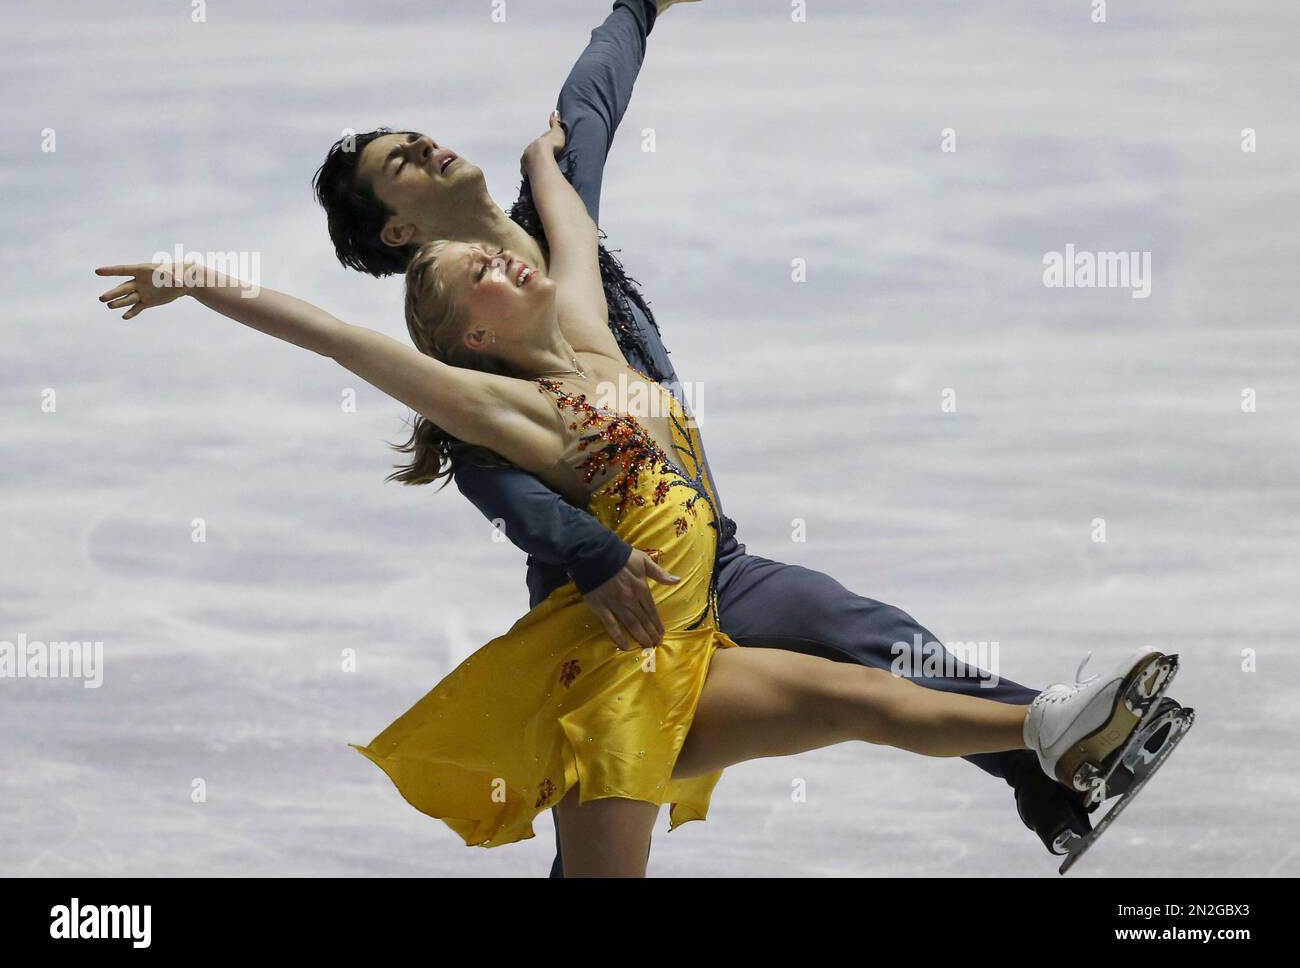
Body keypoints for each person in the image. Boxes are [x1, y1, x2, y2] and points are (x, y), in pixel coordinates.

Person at [94, 111, 1180, 877]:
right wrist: (197, 277)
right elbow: (334, 335)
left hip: (700, 616)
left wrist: (541, 149)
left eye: (500, 258)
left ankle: (1048, 728)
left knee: (865, 676)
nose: (505, 262)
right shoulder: (505, 412)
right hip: (620, 657)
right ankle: (1049, 731)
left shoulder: (590, 333)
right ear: (472, 337)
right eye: (477, 273)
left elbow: (565, 216)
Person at [307, 0, 1181, 867]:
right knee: (609, 830)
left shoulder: (554, 223)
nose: (430, 145)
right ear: (398, 229)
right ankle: (1051, 752)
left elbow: (588, 104)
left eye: (417, 134)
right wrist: (592, 558)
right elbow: (499, 486)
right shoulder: (469, 350)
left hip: (712, 553)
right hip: (613, 597)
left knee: (878, 641)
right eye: (402, 160)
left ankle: (1052, 760)